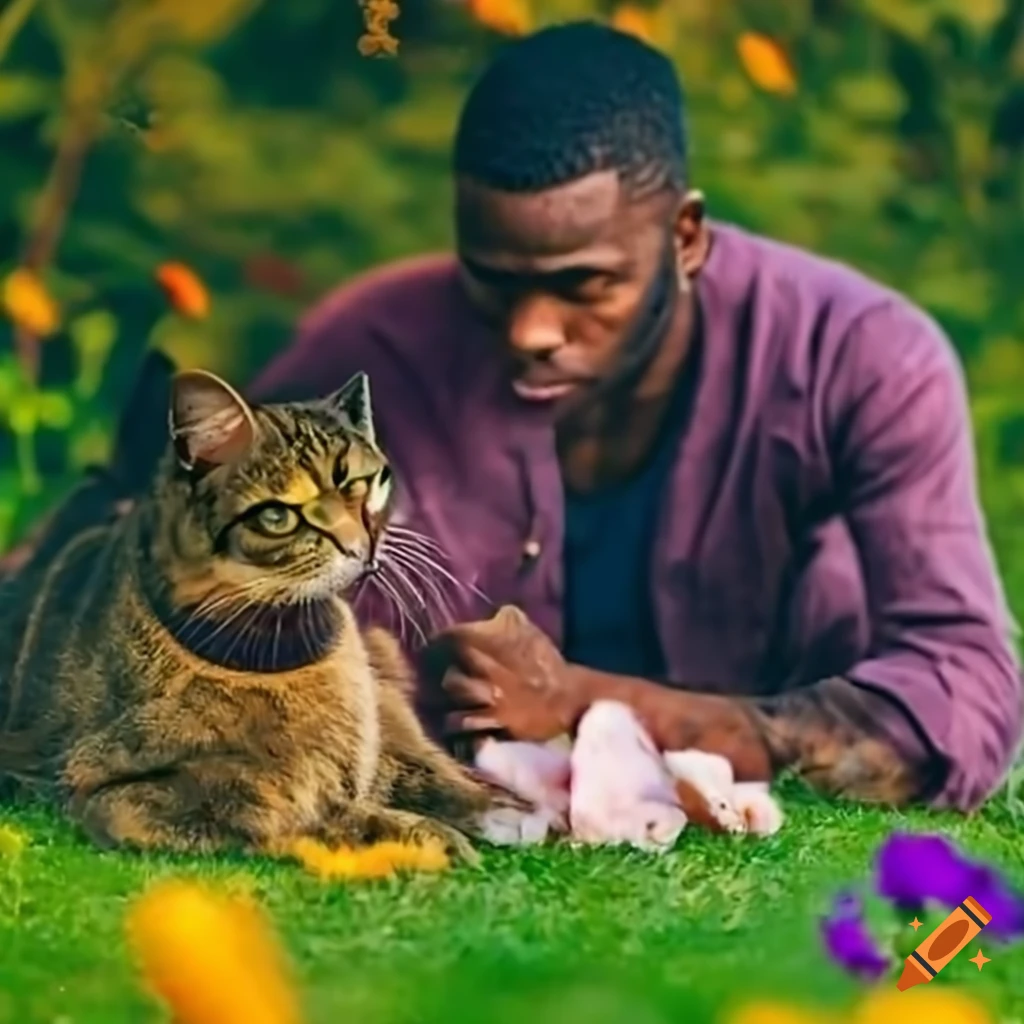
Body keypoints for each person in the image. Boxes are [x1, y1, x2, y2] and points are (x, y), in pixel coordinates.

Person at [249, 21, 1021, 812]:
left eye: (584, 285)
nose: (530, 332)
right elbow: (160, 571)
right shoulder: (370, 350)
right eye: (493, 281)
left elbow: (964, 692)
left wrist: (588, 702)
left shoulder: (859, 355)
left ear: (686, 238)